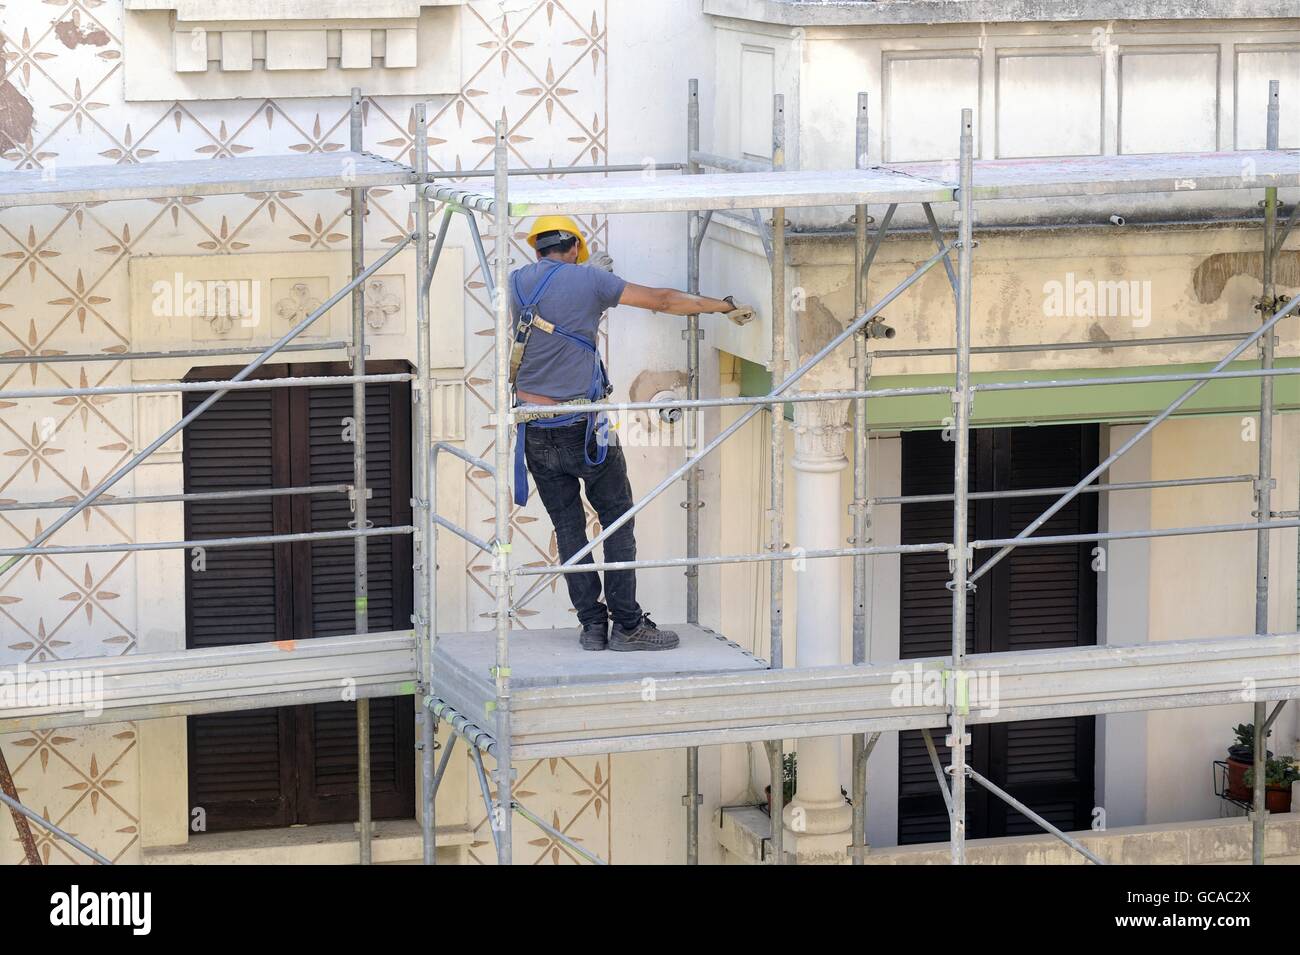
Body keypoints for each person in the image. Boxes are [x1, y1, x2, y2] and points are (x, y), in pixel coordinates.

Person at [509, 215, 755, 651]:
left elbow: (558, 302)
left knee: (568, 528)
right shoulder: (590, 282)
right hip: (581, 429)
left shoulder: (517, 283)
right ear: (575, 249)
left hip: (532, 429)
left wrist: (592, 281)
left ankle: (591, 626)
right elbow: (661, 300)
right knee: (617, 520)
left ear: (538, 249)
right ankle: (627, 625)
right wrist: (722, 305)